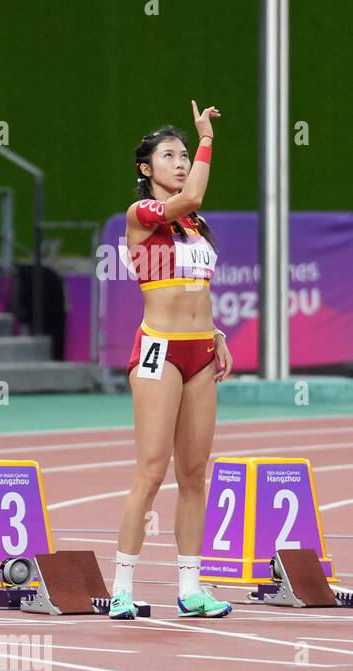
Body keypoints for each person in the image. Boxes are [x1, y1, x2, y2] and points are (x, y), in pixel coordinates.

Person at [112, 101, 234, 620]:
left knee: (194, 473)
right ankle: (122, 587)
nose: (181, 163)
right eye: (170, 156)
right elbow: (192, 194)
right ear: (146, 168)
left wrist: (217, 333)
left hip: (200, 353)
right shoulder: (141, 215)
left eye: (185, 155)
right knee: (151, 471)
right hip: (159, 349)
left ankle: (190, 588)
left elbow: (194, 288)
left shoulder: (195, 225)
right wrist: (207, 139)